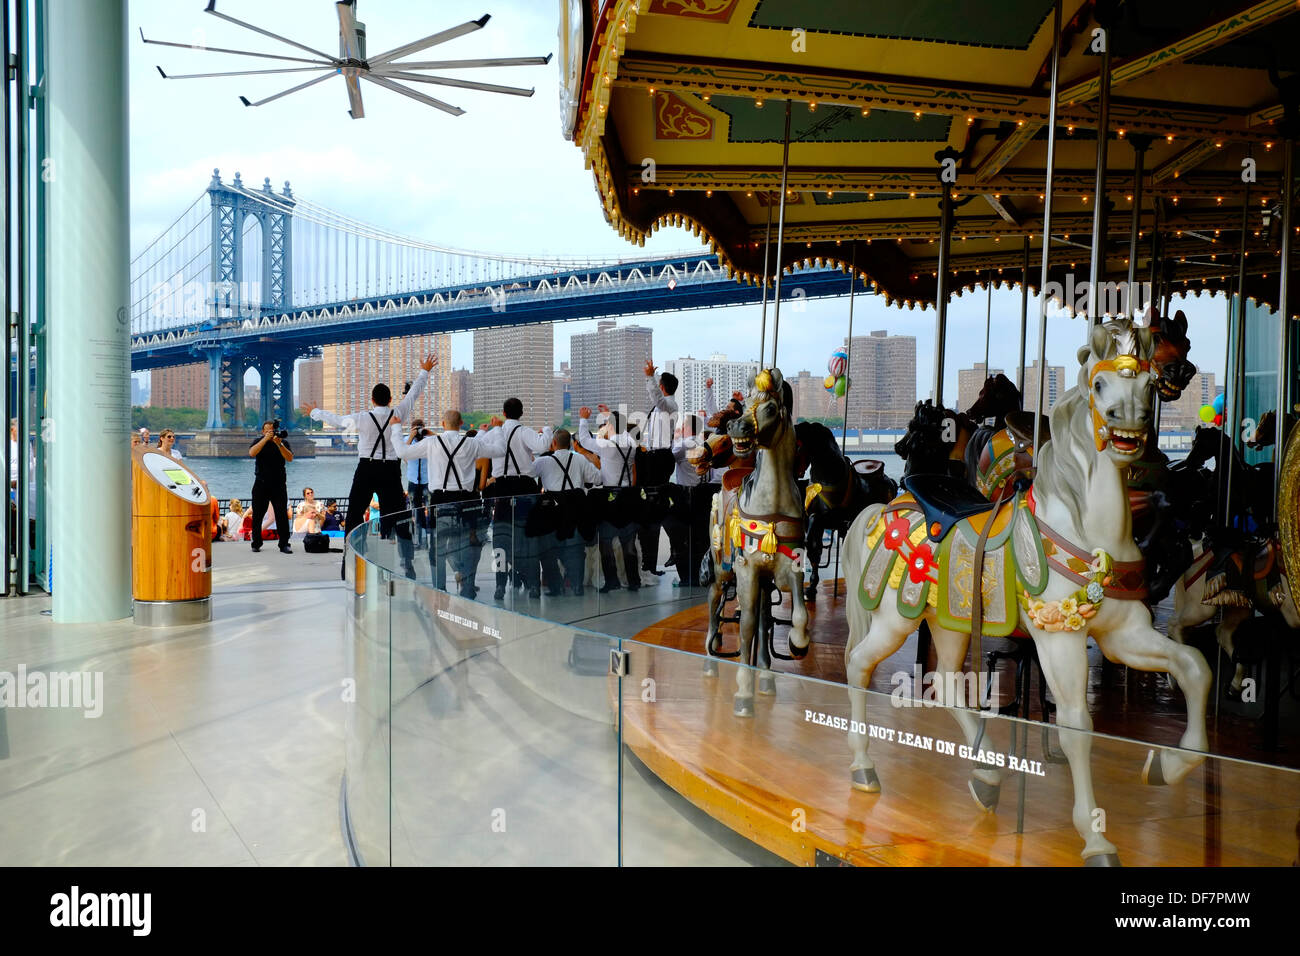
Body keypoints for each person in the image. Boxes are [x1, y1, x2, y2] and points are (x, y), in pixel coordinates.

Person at [303, 351, 436, 578]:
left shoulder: (363, 417)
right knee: (399, 517)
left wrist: (314, 412)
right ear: (390, 399)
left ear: (372, 400)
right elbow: (413, 395)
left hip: (367, 467)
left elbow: (336, 420)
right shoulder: (399, 412)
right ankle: (407, 564)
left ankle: (350, 563)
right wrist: (425, 370)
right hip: (390, 470)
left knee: (354, 515)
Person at [400, 409, 486, 597]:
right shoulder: (470, 443)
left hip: (439, 499)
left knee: (438, 546)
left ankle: (439, 588)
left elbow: (402, 452)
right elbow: (498, 449)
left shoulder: (432, 442)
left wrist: (395, 429)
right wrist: (489, 431)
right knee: (465, 544)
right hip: (464, 498)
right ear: (462, 422)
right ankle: (467, 585)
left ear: (442, 423)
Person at [477, 397, 553, 601]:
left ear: (503, 413)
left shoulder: (495, 433)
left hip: (502, 487)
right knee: (529, 536)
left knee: (501, 537)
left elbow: (476, 446)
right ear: (521, 413)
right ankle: (534, 585)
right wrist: (546, 428)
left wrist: (485, 430)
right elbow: (543, 446)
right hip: (525, 487)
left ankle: (500, 586)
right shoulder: (524, 431)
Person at [529, 428, 602, 596]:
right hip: (575, 509)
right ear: (570, 444)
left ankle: (556, 586)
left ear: (553, 443)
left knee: (548, 550)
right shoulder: (580, 459)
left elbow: (527, 472)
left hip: (552, 511)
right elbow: (597, 478)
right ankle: (577, 586)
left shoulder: (544, 462)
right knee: (575, 549)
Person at [577, 405, 641, 593]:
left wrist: (583, 419)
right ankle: (633, 580)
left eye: (606, 424)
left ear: (611, 426)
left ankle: (611, 580)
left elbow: (584, 440)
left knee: (606, 540)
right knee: (628, 540)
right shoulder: (631, 443)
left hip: (610, 495)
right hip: (628, 495)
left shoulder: (607, 447)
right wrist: (608, 416)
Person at [248, 419, 294, 554]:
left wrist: (279, 444)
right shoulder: (258, 441)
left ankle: (284, 543)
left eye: (271, 430)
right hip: (261, 484)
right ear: (263, 431)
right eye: (267, 430)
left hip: (279, 484)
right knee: (258, 514)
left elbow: (290, 458)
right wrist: (265, 439)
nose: (270, 432)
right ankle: (256, 542)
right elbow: (252, 453)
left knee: (281, 515)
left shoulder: (282, 442)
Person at [405, 419, 431, 546]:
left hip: (427, 480)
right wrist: (411, 436)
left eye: (421, 428)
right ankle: (418, 539)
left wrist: (428, 433)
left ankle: (428, 537)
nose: (419, 431)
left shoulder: (429, 441)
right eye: (416, 428)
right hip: (413, 480)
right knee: (415, 510)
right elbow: (402, 453)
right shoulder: (407, 440)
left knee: (430, 509)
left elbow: (443, 444)